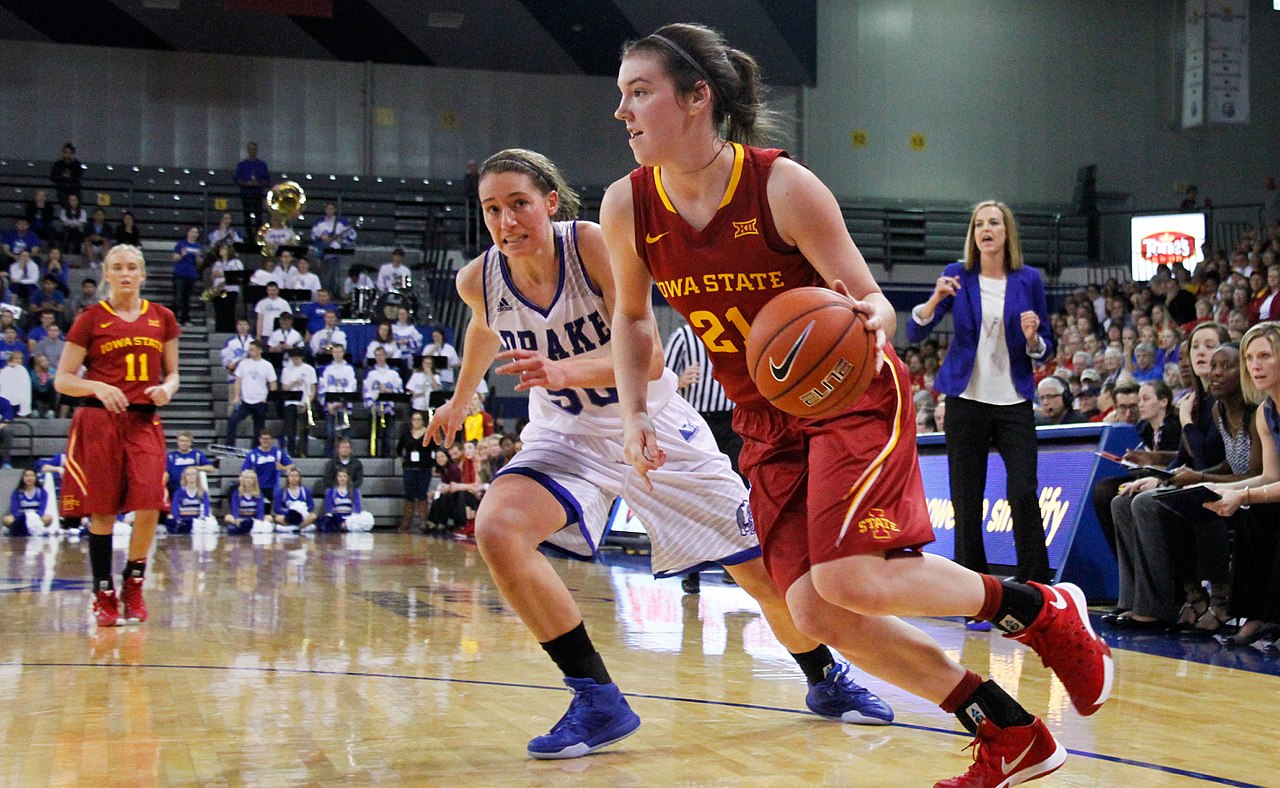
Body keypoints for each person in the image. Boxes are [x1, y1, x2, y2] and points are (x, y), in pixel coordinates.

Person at [602, 25, 1110, 785]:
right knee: (814, 611)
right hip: (763, 419)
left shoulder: (781, 186)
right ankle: (1011, 731)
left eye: (639, 91)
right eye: (622, 94)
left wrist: (874, 312)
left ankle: (1040, 609)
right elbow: (635, 317)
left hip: (847, 396)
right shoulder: (628, 206)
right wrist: (634, 409)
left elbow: (871, 299)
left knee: (846, 579)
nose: (623, 111)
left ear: (698, 97)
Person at [427, 148, 894, 763]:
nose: (507, 220)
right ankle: (596, 697)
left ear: (549, 202)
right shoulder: (478, 277)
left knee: (760, 574)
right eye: (493, 209)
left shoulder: (588, 245)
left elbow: (648, 359)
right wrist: (461, 399)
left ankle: (823, 676)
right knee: (498, 527)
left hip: (653, 426)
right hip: (566, 437)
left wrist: (562, 370)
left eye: (519, 204)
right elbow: (484, 326)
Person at [907, 200, 1056, 596]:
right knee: (966, 498)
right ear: (973, 235)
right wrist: (936, 299)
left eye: (994, 223)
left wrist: (1033, 340)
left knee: (1023, 490)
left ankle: (1036, 584)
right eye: (979, 224)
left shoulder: (1029, 279)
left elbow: (1047, 345)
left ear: (1007, 232)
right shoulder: (957, 275)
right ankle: (975, 591)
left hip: (1014, 400)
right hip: (966, 399)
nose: (986, 229)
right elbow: (916, 331)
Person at [53, 244, 181, 627]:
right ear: (106, 274)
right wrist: (95, 387)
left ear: (142, 275)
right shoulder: (90, 319)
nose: (125, 274)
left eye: (132, 268)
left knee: (150, 504)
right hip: (100, 421)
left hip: (143, 421)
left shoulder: (163, 318)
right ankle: (103, 592)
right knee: (104, 511)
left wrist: (168, 390)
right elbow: (63, 380)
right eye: (117, 268)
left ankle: (134, 580)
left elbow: (173, 373)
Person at [1205, 323, 1280, 646]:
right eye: (1250, 357)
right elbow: (1271, 476)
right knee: (1254, 516)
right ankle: (1257, 616)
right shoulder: (1265, 411)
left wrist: (1244, 493)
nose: (1255, 365)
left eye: (1265, 356)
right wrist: (1223, 491)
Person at [664, 320, 741, 594]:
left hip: (733, 422)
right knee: (694, 497)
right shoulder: (683, 336)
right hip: (695, 423)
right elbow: (656, 378)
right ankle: (692, 572)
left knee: (736, 495)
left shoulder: (735, 331)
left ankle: (736, 566)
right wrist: (679, 380)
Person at [226, 340, 277, 447]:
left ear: (259, 350)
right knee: (232, 420)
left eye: (252, 350)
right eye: (249, 350)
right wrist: (236, 397)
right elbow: (238, 381)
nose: (250, 352)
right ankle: (229, 447)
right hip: (245, 401)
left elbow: (273, 384)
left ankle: (255, 449)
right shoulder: (244, 364)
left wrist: (267, 399)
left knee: (259, 428)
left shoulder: (267, 365)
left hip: (260, 401)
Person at [396, 410, 434, 532]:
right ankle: (407, 521)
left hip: (424, 468)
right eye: (414, 419)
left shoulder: (429, 434)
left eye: (419, 419)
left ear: (423, 421)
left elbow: (435, 450)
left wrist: (433, 465)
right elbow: (399, 450)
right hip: (409, 468)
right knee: (409, 494)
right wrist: (402, 461)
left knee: (423, 494)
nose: (416, 422)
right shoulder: (406, 434)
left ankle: (423, 521)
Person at [310, 202, 357, 296]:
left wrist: (343, 243)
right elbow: (313, 235)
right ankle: (326, 292)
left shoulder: (341, 222)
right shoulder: (319, 222)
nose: (329, 211)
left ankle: (331, 293)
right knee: (324, 274)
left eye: (332, 209)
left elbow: (353, 234)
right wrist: (321, 237)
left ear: (334, 210)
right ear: (325, 210)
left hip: (335, 252)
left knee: (333, 274)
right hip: (323, 252)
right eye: (328, 209)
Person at [363, 346, 403, 457]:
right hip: (375, 408)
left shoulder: (393, 374)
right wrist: (371, 405)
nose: (379, 358)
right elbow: (366, 391)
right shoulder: (371, 374)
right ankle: (372, 456)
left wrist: (390, 390)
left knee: (388, 436)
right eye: (377, 355)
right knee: (373, 435)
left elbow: (400, 390)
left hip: (389, 408)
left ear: (385, 356)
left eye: (381, 355)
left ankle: (387, 458)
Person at [319, 343, 357, 456]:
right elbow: (323, 387)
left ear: (343, 353)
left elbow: (352, 386)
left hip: (344, 407)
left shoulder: (349, 369)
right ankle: (329, 457)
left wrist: (342, 402)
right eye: (335, 352)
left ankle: (346, 457)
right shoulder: (327, 370)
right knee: (330, 433)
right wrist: (329, 404)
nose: (337, 354)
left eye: (339, 352)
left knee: (345, 435)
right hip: (331, 407)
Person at [242, 429, 292, 512]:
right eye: (263, 439)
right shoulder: (253, 454)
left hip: (272, 486)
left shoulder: (278, 453)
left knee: (268, 511)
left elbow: (291, 465)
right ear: (260, 439)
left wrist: (282, 468)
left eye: (267, 439)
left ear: (271, 440)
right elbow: (244, 470)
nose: (265, 441)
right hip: (257, 486)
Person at [279, 348, 317, 457]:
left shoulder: (309, 369)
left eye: (297, 358)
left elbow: (313, 389)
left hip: (304, 401)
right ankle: (291, 451)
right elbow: (284, 388)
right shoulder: (286, 370)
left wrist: (307, 403)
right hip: (291, 401)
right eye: (293, 358)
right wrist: (295, 382)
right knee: (290, 429)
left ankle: (303, 451)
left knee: (304, 429)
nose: (295, 360)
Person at [166, 431, 215, 500]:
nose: (184, 443)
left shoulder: (197, 454)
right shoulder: (171, 456)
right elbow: (166, 472)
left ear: (191, 442)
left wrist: (196, 468)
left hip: (193, 489)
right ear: (177, 442)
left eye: (187, 441)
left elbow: (211, 468)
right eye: (182, 441)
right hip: (174, 489)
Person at [235, 142, 271, 234]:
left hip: (258, 194)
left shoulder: (262, 165)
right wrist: (247, 183)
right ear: (248, 150)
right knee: (246, 216)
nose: (252, 151)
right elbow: (237, 179)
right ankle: (249, 236)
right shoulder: (242, 165)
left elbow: (267, 180)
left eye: (254, 149)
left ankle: (257, 235)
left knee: (258, 217)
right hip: (246, 194)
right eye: (250, 149)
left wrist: (258, 183)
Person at [3, 468, 51, 536]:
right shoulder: (17, 492)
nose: (29, 478)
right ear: (23, 478)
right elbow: (14, 509)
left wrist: (34, 517)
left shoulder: (42, 492)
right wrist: (22, 518)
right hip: (21, 518)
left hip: (36, 517)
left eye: (32, 476)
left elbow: (42, 508)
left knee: (48, 518)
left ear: (36, 478)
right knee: (7, 519)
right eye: (27, 476)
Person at [171, 226, 202, 325]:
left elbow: (200, 263)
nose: (194, 234)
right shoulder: (181, 244)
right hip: (180, 274)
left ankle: (185, 319)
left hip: (191, 275)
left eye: (196, 232)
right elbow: (175, 258)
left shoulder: (198, 246)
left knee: (187, 298)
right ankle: (174, 319)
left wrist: (197, 256)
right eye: (192, 232)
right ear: (188, 233)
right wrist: (182, 255)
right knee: (178, 297)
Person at [169, 466, 213, 534]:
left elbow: (206, 507)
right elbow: (174, 507)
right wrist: (177, 518)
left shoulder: (203, 492)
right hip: (183, 518)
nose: (191, 476)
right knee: (170, 519)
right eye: (188, 474)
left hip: (197, 520)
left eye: (193, 474)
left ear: (197, 477)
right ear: (185, 477)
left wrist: (204, 519)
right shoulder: (179, 492)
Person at [273, 467, 316, 532]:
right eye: (292, 476)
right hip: (288, 516)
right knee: (278, 518)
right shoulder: (281, 492)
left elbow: (311, 505)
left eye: (296, 476)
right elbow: (277, 508)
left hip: (303, 515)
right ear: (287, 478)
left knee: (313, 516)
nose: (294, 478)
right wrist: (290, 512)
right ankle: (302, 528)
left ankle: (295, 528)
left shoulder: (306, 491)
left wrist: (302, 510)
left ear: (299, 478)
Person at [224, 469, 266, 534]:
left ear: (255, 481)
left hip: (253, 518)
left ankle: (244, 528)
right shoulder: (237, 493)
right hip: (240, 518)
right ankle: (242, 526)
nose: (249, 480)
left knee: (269, 517)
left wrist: (260, 520)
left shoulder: (259, 493)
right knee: (228, 517)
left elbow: (261, 509)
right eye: (247, 478)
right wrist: (237, 519)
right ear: (243, 480)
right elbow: (234, 509)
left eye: (251, 478)